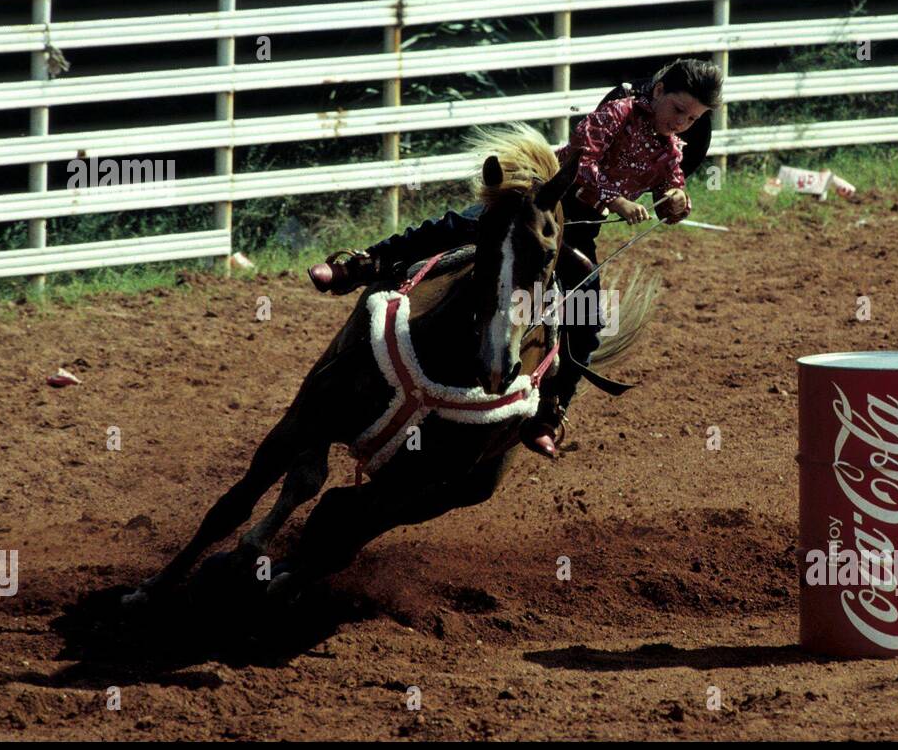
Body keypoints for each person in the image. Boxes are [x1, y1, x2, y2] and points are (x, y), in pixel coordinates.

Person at [309, 57, 723, 459]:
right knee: (459, 226)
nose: (681, 121)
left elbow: (674, 188)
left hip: (579, 230)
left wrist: (675, 202)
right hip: (540, 200)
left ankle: (548, 413)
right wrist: (615, 201)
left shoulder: (672, 148)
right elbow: (583, 157)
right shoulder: (621, 110)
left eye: (692, 118)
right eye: (678, 109)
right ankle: (361, 266)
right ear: (660, 89)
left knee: (588, 317)